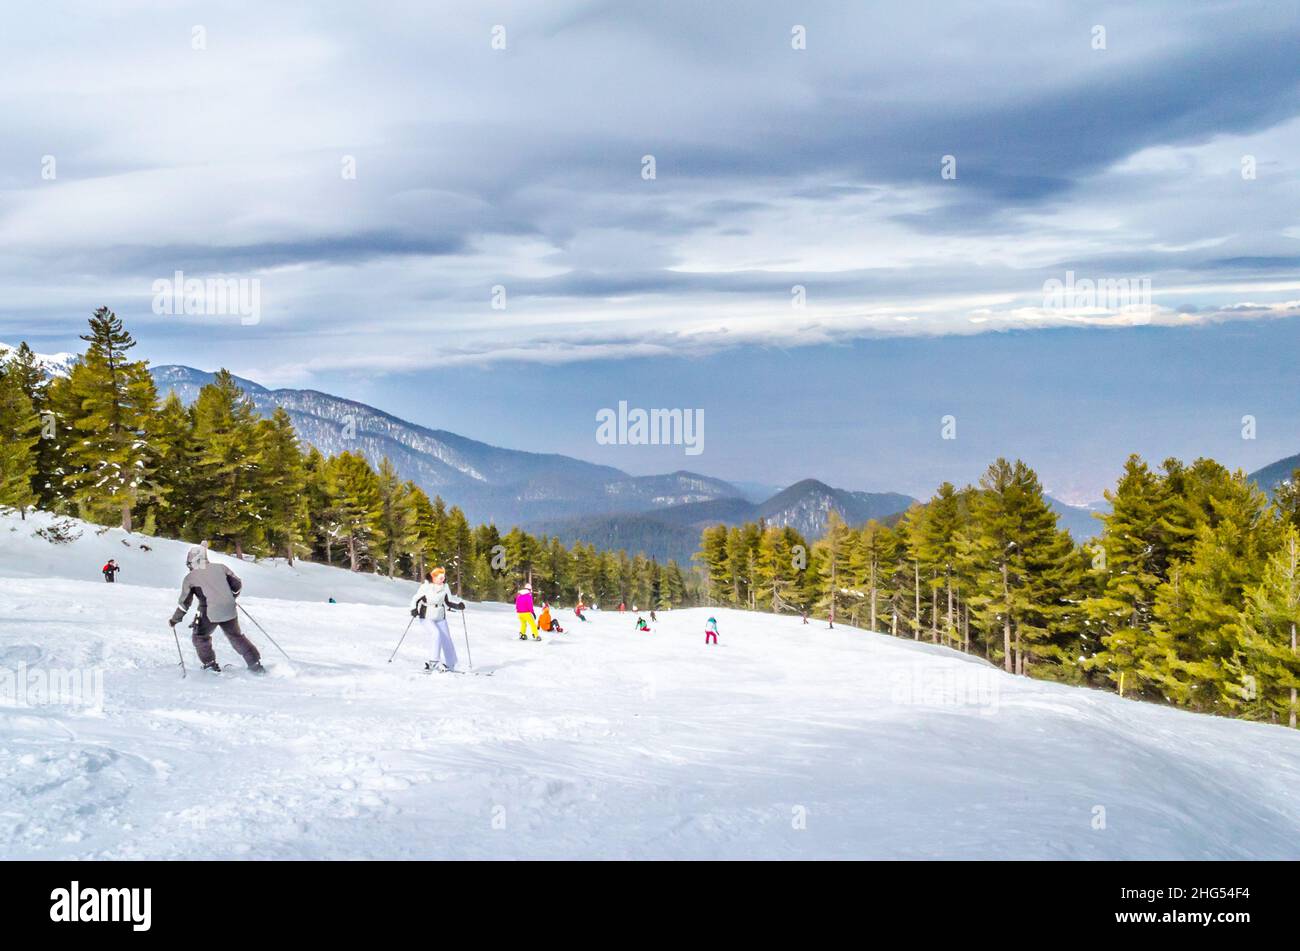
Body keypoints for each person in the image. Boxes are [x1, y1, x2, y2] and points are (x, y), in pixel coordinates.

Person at [168, 543, 264, 673]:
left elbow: (185, 603)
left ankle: (210, 665)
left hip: (208, 612)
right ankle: (255, 664)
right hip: (229, 608)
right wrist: (231, 597)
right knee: (236, 636)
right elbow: (237, 584)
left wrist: (175, 619)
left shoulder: (190, 578)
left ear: (191, 561)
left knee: (200, 637)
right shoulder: (221, 568)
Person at [410, 567, 465, 671]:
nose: (442, 579)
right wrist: (413, 609)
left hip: (440, 616)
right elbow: (415, 599)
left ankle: (451, 664)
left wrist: (458, 606)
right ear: (433, 577)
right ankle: (433, 662)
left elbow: (448, 601)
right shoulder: (426, 587)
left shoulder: (445, 587)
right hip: (426, 616)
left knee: (446, 638)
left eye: (443, 577)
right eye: (440, 577)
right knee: (436, 634)